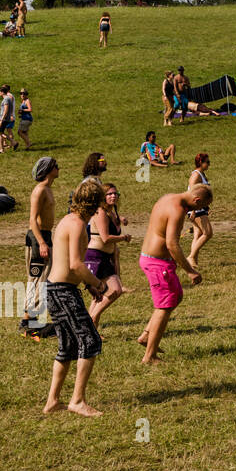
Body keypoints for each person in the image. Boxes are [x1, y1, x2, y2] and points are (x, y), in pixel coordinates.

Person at [42, 178, 108, 416]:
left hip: (55, 288)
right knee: (90, 341)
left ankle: (52, 401)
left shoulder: (68, 220)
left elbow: (68, 265)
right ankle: (77, 400)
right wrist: (97, 282)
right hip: (63, 292)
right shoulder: (78, 224)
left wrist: (87, 286)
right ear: (95, 204)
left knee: (67, 346)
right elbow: (75, 264)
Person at [137, 186, 209, 363]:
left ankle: (147, 336)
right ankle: (149, 356)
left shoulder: (168, 197)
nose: (195, 212)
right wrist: (190, 271)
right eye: (199, 207)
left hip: (155, 260)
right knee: (165, 305)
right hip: (157, 262)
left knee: (175, 296)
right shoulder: (177, 210)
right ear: (197, 200)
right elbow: (171, 244)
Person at [21, 157, 60, 339]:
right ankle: (31, 324)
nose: (58, 168)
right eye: (55, 166)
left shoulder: (48, 189)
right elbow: (32, 220)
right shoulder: (39, 190)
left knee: (40, 279)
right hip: (38, 239)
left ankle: (29, 319)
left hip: (45, 236)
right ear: (47, 169)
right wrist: (42, 243)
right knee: (38, 280)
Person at [86, 183, 133, 328]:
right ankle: (94, 317)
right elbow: (105, 237)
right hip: (95, 256)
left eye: (115, 193)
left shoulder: (112, 213)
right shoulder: (100, 212)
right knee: (115, 290)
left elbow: (114, 226)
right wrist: (123, 238)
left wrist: (121, 220)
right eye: (109, 194)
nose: (113, 196)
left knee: (100, 295)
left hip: (104, 257)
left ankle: (91, 328)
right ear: (103, 197)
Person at [186, 153, 213, 266]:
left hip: (200, 208)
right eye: (207, 162)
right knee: (208, 233)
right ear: (200, 163)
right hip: (196, 209)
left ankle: (193, 262)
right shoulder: (195, 175)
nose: (209, 164)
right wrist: (192, 210)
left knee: (197, 234)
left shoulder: (202, 174)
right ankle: (191, 256)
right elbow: (191, 193)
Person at [0, 84, 16, 153]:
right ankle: (13, 142)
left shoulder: (6, 99)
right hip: (4, 118)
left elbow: (6, 110)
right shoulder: (7, 98)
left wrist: (1, 119)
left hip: (5, 119)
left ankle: (2, 149)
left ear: (3, 92)